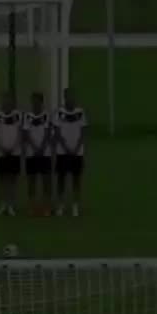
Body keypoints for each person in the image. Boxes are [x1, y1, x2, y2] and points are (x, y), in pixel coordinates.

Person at [53, 88, 88, 217]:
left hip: (77, 152)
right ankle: (61, 205)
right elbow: (57, 133)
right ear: (64, 98)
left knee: (76, 179)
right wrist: (66, 147)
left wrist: (77, 147)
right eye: (68, 97)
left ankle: (75, 205)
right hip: (62, 151)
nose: (70, 99)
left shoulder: (80, 113)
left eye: (72, 97)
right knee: (61, 179)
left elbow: (83, 132)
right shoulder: (59, 113)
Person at [0, 91, 23, 216]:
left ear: (13, 103)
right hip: (1, 153)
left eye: (9, 101)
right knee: (2, 179)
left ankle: (11, 205)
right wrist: (1, 147)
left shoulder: (18, 115)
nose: (7, 103)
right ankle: (2, 205)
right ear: (2, 102)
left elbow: (21, 133)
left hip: (15, 153)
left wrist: (14, 147)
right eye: (5, 101)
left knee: (13, 180)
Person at [22, 92, 54, 216]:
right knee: (32, 181)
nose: (35, 104)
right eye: (33, 101)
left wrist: (41, 148)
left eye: (37, 101)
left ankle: (47, 207)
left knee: (46, 180)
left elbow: (47, 133)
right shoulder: (27, 116)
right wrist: (35, 147)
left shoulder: (46, 116)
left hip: (44, 153)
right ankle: (32, 207)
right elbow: (26, 134)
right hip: (31, 154)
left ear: (41, 102)